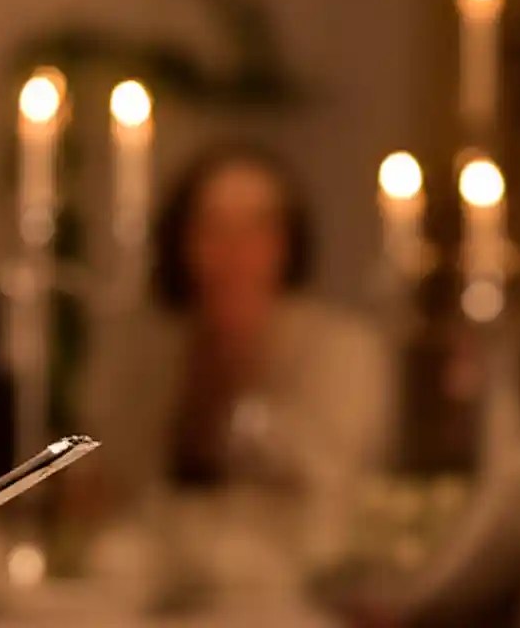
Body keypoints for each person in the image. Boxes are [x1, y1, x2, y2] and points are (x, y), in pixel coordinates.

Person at [84, 140, 394, 601]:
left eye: (257, 228)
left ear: (287, 243)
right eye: (213, 228)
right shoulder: (148, 351)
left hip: (293, 586)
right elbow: (114, 484)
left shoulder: (344, 350)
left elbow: (334, 481)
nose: (235, 250)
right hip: (156, 580)